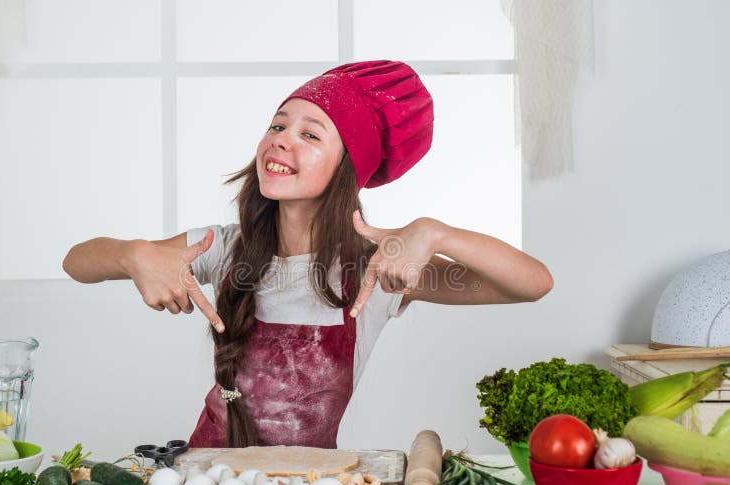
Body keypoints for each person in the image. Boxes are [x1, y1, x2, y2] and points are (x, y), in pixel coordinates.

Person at [62, 60, 553, 449]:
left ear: (348, 168)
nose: (281, 138)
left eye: (310, 133)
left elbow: (532, 283)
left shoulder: (378, 269)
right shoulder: (222, 247)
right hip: (206, 483)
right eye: (278, 124)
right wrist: (133, 254)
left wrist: (436, 232)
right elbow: (77, 263)